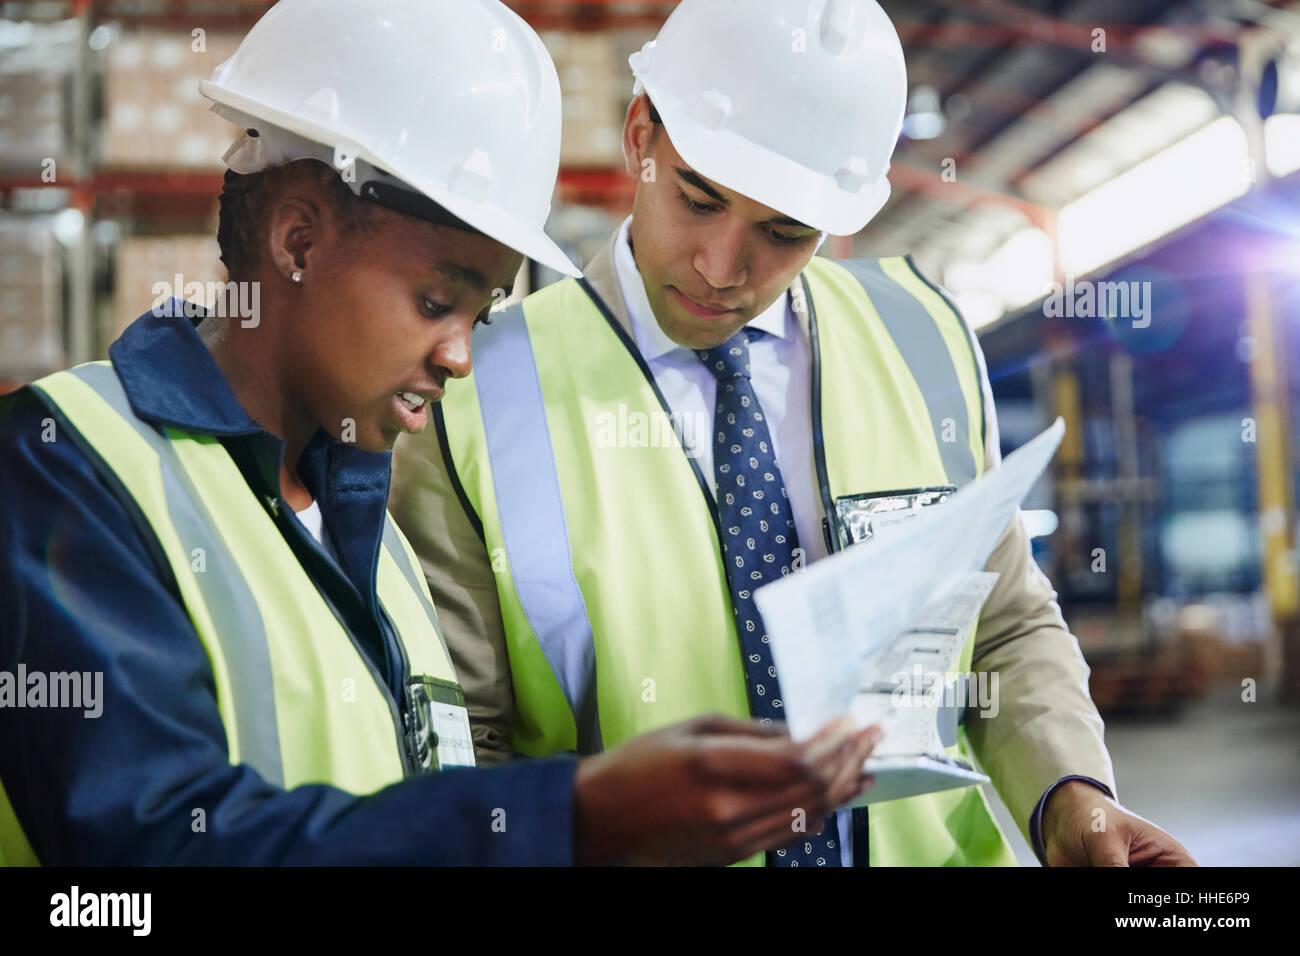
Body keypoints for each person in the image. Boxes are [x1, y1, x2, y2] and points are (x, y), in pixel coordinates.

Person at [0, 0, 881, 867]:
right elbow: (142, 855)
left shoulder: (376, 540)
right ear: (298, 238)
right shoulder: (73, 466)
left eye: (483, 309)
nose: (462, 357)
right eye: (436, 301)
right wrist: (576, 820)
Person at [389, 0, 1196, 867]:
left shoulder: (920, 341)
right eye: (699, 200)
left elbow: (998, 623)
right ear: (639, 137)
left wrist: (1069, 794)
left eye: (784, 233)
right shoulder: (474, 393)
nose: (722, 268)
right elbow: (468, 738)